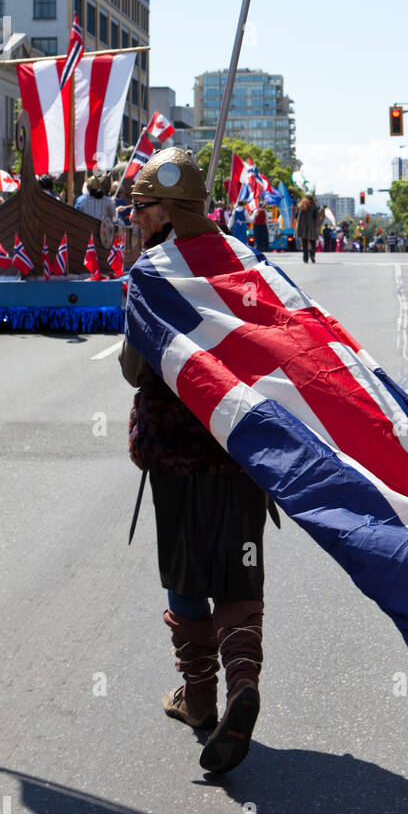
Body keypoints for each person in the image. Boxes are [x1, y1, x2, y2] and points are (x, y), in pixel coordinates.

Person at [120, 148, 271, 774]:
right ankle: (240, 688)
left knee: (186, 578)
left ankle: (202, 699)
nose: (132, 218)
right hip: (239, 450)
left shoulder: (150, 274)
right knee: (238, 579)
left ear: (165, 212)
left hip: (179, 456)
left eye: (140, 207)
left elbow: (134, 368)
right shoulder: (245, 263)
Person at [295, 194, 320, 264]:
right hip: (311, 226)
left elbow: (296, 216)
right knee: (312, 242)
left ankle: (305, 258)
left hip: (302, 226)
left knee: (304, 243)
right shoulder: (313, 207)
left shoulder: (300, 206)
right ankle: (312, 255)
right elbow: (316, 216)